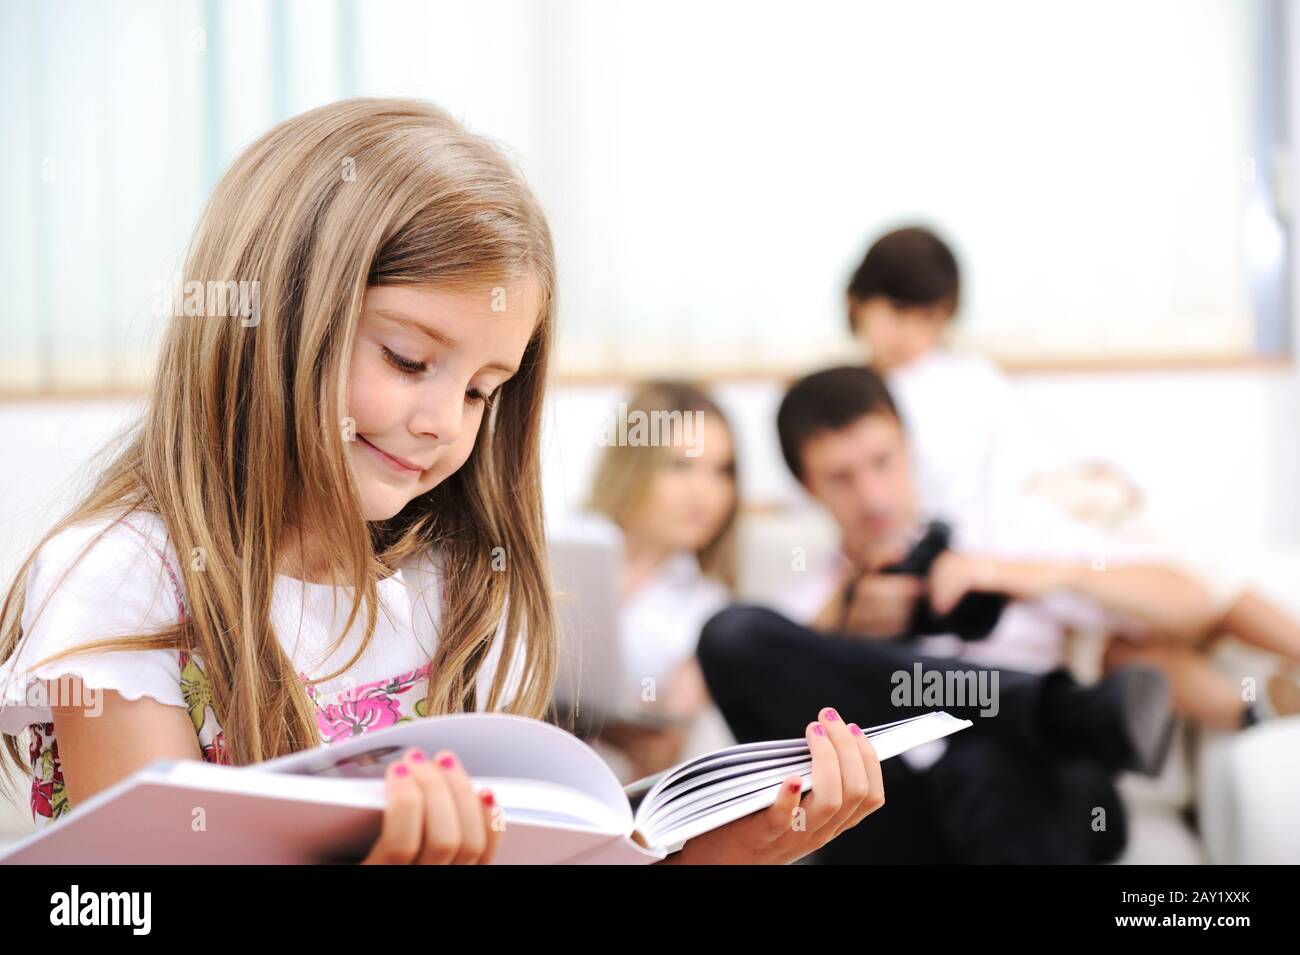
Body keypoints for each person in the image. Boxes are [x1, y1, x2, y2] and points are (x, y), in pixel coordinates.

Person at [0, 99, 883, 866]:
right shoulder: (123, 578)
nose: (444, 422)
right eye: (409, 357)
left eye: (480, 390)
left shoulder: (450, 580)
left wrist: (726, 850)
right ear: (269, 322)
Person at [699, 365, 1225, 863]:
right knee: (731, 634)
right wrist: (842, 626)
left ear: (908, 445)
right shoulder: (811, 605)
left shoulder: (1000, 534)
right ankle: (1060, 707)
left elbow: (1194, 601)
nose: (873, 496)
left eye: (883, 462)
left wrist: (1018, 576)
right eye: (842, 478)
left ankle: (1043, 716)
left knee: (989, 764)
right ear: (808, 487)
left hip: (1038, 785)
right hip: (895, 818)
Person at [583, 381, 737, 780]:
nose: (705, 493)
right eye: (681, 465)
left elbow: (657, 755)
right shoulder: (561, 545)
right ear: (634, 465)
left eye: (721, 471)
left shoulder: (711, 609)